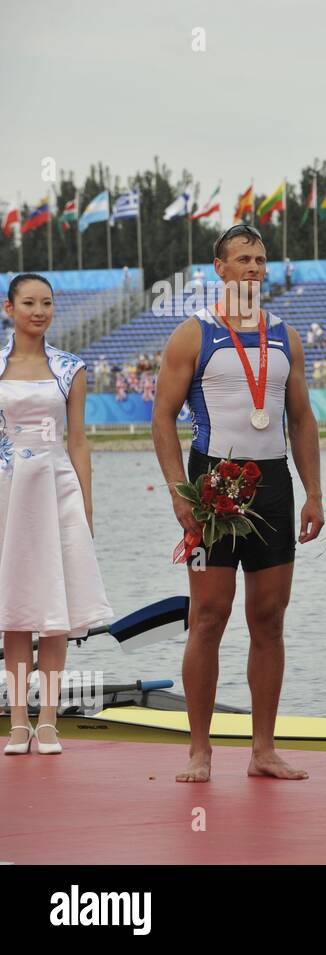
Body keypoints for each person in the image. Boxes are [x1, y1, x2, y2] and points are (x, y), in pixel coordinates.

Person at [152, 223, 324, 783]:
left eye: (261, 259)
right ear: (219, 269)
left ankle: (263, 749)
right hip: (213, 484)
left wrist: (314, 492)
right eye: (243, 260)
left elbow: (301, 419)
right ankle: (199, 750)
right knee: (208, 616)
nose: (253, 268)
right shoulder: (193, 335)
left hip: (273, 484)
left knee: (269, 620)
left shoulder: (284, 335)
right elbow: (161, 419)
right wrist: (182, 494)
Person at [1, 274, 113, 756]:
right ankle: (18, 720)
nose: (38, 310)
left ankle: (49, 719)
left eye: (46, 303)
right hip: (8, 488)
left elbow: (79, 442)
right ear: (9, 309)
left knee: (55, 609)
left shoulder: (70, 367)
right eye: (28, 302)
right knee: (16, 607)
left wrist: (85, 508)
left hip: (55, 486)